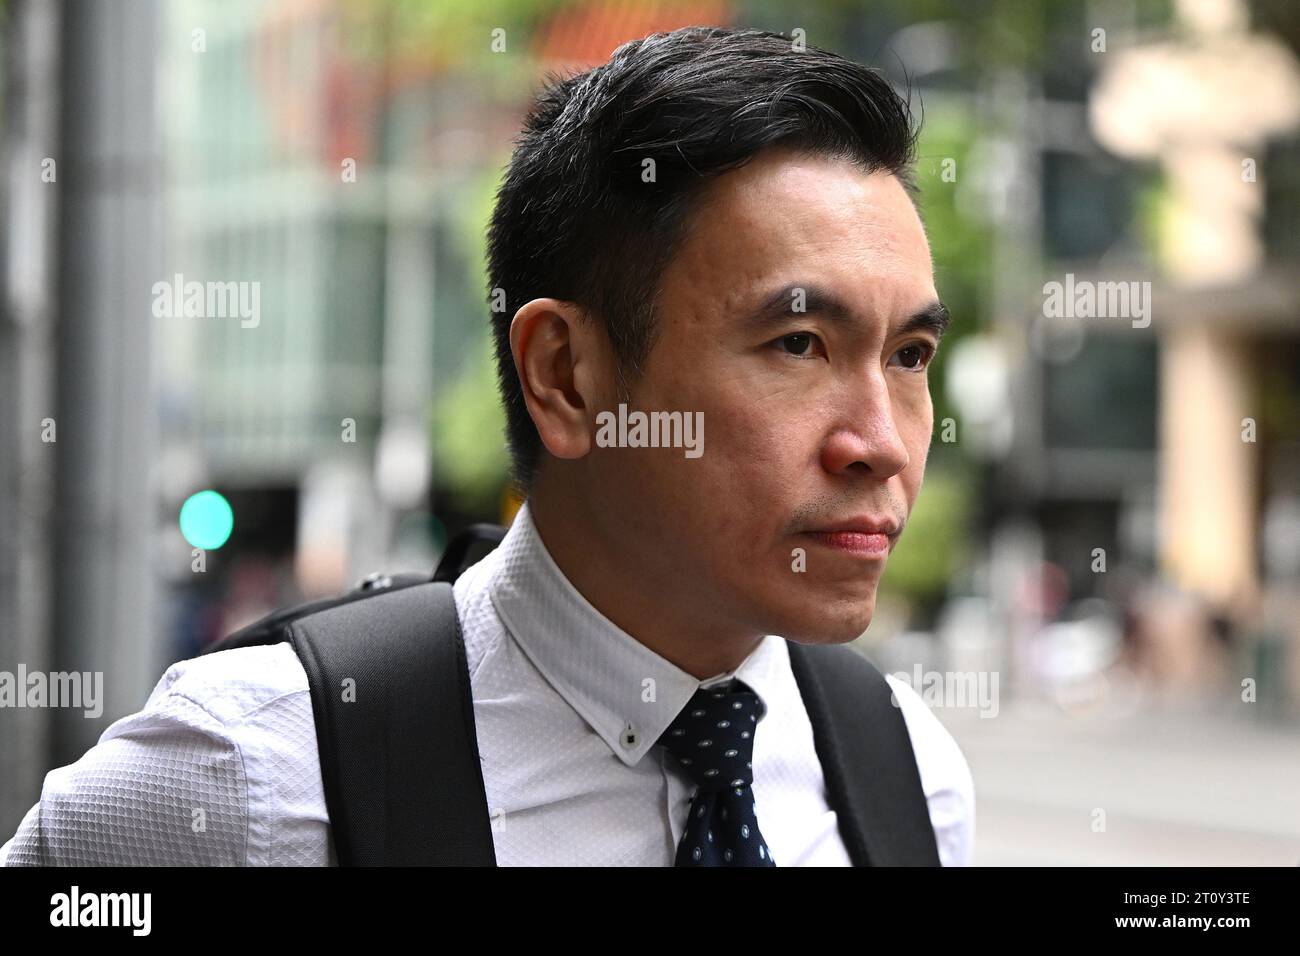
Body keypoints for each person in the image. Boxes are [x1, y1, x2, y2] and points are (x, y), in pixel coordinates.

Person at [2, 25, 974, 867]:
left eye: (909, 354)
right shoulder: (257, 773)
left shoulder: (902, 771)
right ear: (564, 375)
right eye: (798, 344)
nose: (881, 443)